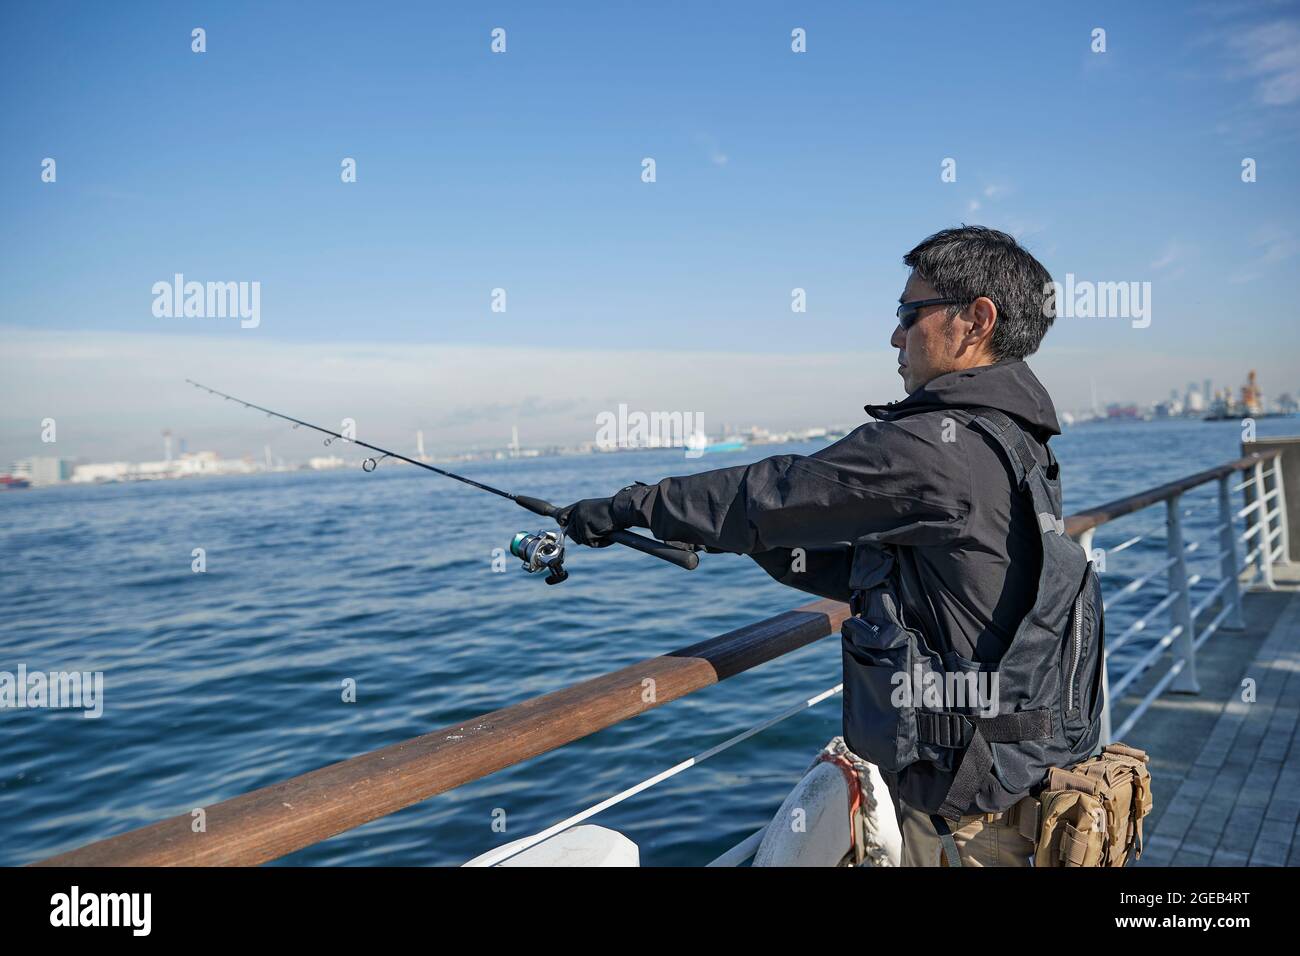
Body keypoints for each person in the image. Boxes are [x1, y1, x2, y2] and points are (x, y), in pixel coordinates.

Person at [559, 225, 1082, 867]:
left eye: (907, 313)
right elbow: (924, 582)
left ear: (976, 320)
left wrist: (624, 507)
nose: (895, 335)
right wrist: (771, 541)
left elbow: (768, 493)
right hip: (1011, 776)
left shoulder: (935, 447)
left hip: (964, 809)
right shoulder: (1015, 442)